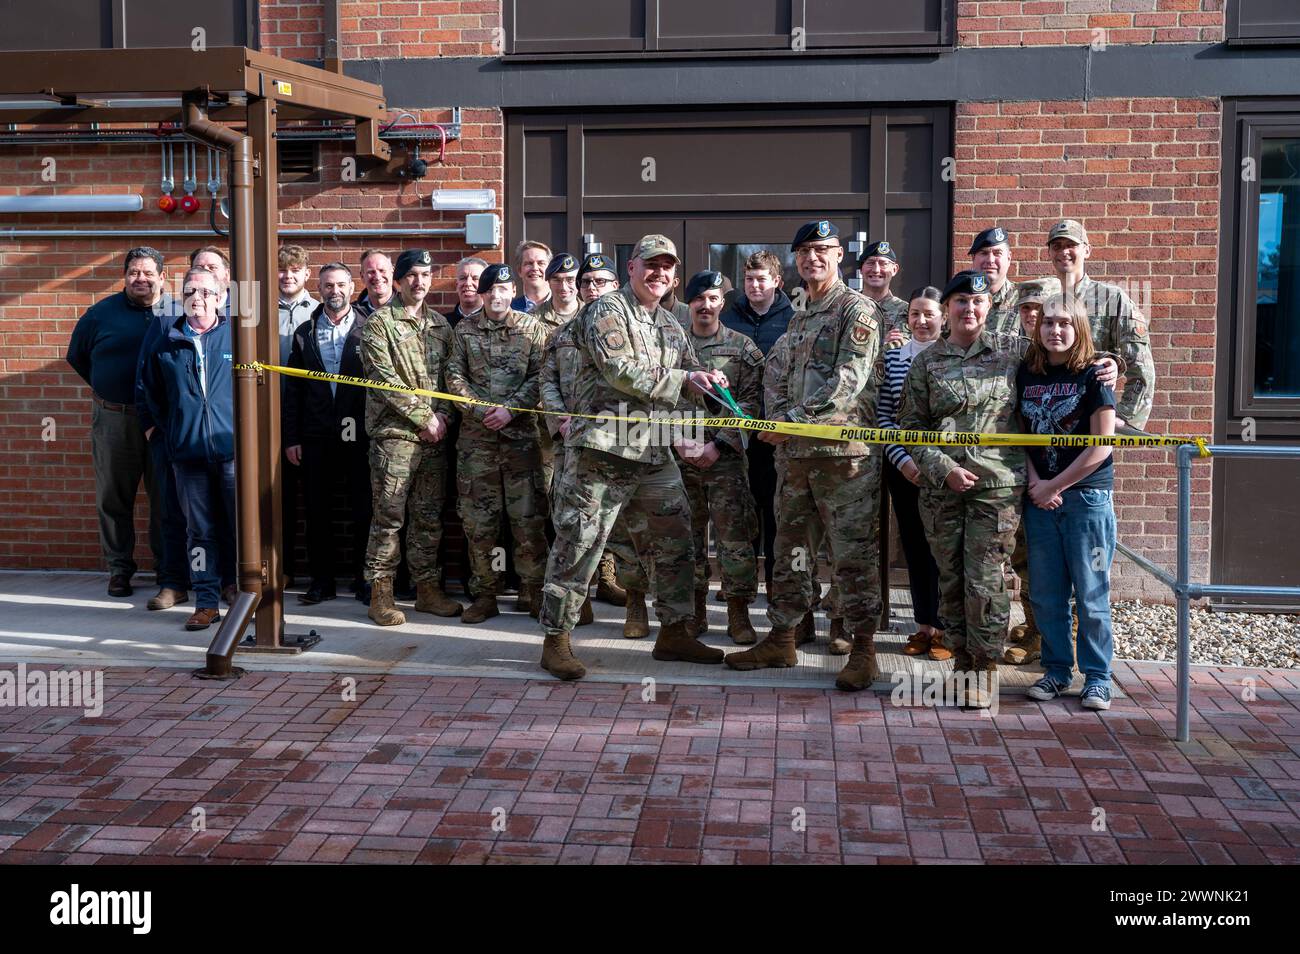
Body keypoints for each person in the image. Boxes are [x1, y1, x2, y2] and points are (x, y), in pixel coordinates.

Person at [898, 270, 1120, 707]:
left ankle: (983, 670)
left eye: (978, 302)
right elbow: (910, 425)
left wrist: (1114, 363)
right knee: (952, 580)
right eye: (960, 301)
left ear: (987, 308)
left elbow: (1071, 352)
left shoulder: (1014, 352)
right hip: (943, 490)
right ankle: (961, 662)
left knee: (987, 583)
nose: (969, 309)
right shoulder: (926, 362)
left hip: (997, 489)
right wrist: (942, 468)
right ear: (948, 309)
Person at [536, 234, 729, 680]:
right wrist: (686, 378)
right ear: (632, 268)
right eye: (651, 265)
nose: (659, 273)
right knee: (580, 542)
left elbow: (688, 380)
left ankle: (675, 632)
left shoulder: (669, 323)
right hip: (602, 448)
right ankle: (556, 639)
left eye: (667, 267)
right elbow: (619, 369)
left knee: (676, 537)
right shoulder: (606, 310)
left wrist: (706, 394)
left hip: (652, 448)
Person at [725, 220, 885, 693]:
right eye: (805, 252)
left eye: (823, 250)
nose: (813, 258)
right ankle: (783, 636)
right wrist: (774, 419)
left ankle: (863, 649)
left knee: (853, 555)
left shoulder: (856, 310)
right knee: (790, 552)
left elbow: (848, 381)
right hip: (795, 459)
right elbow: (776, 372)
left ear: (839, 255)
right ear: (795, 260)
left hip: (844, 459)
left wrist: (787, 419)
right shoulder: (799, 316)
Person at [1019, 293, 1118, 711]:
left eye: (1064, 323)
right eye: (1048, 323)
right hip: (1040, 499)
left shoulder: (1094, 376)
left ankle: (1098, 678)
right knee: (1046, 594)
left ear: (1078, 329)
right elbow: (1018, 436)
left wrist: (1055, 485)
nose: (1055, 330)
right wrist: (1036, 483)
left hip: (1086, 499)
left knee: (1092, 595)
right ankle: (1057, 670)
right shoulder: (1027, 371)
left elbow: (1101, 446)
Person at [66, 247, 180, 601]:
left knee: (166, 497)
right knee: (114, 496)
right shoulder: (100, 314)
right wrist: (110, 391)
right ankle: (119, 569)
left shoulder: (178, 311)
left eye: (147, 273)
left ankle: (169, 572)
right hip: (115, 418)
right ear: (125, 276)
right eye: (133, 272)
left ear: (162, 276)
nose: (140, 279)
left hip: (164, 421)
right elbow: (78, 358)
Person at [359, 248, 462, 625]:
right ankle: (380, 593)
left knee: (429, 517)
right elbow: (383, 379)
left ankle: (427, 590)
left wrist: (444, 416)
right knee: (389, 517)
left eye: (425, 274)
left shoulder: (441, 325)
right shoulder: (378, 324)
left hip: (434, 437)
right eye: (412, 275)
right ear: (398, 281)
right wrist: (424, 417)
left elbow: (453, 377)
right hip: (395, 437)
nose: (419, 282)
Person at [444, 264, 550, 623]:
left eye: (505, 288)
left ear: (512, 290)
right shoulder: (465, 330)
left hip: (521, 441)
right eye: (491, 290)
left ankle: (533, 591)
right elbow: (453, 376)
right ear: (483, 294)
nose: (498, 295)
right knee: (480, 524)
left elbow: (541, 377)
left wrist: (511, 410)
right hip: (477, 444)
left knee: (528, 522)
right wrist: (479, 410)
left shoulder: (531, 328)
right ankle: (486, 594)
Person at [139, 267, 236, 631]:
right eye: (191, 291)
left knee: (241, 526)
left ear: (221, 297)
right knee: (199, 533)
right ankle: (206, 602)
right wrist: (166, 433)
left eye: (207, 292)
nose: (198, 298)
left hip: (231, 454)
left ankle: (243, 594)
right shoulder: (167, 340)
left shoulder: (235, 337)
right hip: (187, 457)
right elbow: (149, 392)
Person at [678, 271, 764, 644]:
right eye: (699, 298)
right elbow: (656, 398)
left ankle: (738, 614)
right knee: (686, 539)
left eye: (713, 298)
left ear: (722, 303)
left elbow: (754, 401)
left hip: (725, 459)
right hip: (681, 457)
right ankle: (694, 613)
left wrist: (718, 445)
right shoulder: (671, 346)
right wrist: (680, 441)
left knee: (735, 539)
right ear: (689, 302)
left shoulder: (743, 348)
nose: (706, 305)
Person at [284, 262, 371, 606]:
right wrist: (292, 437)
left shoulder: (371, 327)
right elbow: (293, 390)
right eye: (327, 286)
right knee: (317, 510)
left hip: (360, 434)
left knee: (362, 508)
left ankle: (364, 580)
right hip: (316, 434)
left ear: (352, 287)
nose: (334, 291)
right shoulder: (304, 333)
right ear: (318, 290)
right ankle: (323, 581)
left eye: (340, 285)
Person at [878, 286, 947, 660]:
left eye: (929, 314)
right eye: (915, 314)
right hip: (905, 470)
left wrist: (938, 463)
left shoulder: (952, 358)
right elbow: (884, 417)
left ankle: (946, 629)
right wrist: (903, 461)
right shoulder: (893, 360)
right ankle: (924, 627)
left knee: (946, 549)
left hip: (946, 469)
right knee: (916, 547)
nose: (921, 321)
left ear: (943, 317)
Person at [721, 250, 794, 592]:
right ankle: (739, 582)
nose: (754, 285)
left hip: (777, 432)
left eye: (761, 279)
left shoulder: (792, 319)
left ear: (777, 282)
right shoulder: (729, 318)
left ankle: (779, 581)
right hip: (736, 431)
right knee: (741, 508)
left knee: (776, 509)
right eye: (749, 279)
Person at [1046, 219, 1156, 431]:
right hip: (1045, 420)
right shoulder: (1043, 298)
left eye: (1071, 245)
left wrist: (1125, 419)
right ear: (1049, 253)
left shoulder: (1111, 299)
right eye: (1056, 246)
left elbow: (1142, 367)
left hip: (1091, 418)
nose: (1063, 251)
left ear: (1087, 250)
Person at [1002, 277, 1062, 665]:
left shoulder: (1065, 352)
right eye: (1025, 309)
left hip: (1059, 475)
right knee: (1024, 556)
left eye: (1040, 309)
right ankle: (1036, 627)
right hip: (1020, 470)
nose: (1033, 315)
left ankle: (1048, 638)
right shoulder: (1012, 354)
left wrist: (1116, 361)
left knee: (1048, 561)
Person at [276, 245, 319, 588]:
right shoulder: (255, 311)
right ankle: (278, 567)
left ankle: (307, 570)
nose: (287, 275)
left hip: (306, 419)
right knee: (272, 498)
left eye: (295, 269)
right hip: (266, 415)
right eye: (282, 269)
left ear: (307, 274)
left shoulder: (320, 312)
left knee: (306, 498)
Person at [969, 226, 1019, 336]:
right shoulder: (961, 300)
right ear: (973, 258)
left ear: (1009, 258)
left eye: (997, 253)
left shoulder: (1023, 301)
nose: (990, 260)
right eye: (984, 253)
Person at [858, 240, 908, 336]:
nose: (876, 270)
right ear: (861, 269)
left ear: (894, 269)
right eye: (870, 263)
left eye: (883, 264)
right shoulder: (847, 305)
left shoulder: (904, 311)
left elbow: (899, 346)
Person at [510, 241, 551, 313]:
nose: (535, 268)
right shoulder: (509, 310)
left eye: (541, 263)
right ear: (519, 271)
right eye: (529, 263)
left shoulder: (561, 305)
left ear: (550, 269)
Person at [446, 256, 487, 327]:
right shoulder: (443, 323)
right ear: (456, 285)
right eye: (463, 278)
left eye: (475, 278)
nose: (468, 283)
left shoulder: (495, 322)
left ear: (485, 285)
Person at [353, 249, 394, 318]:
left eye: (382, 270)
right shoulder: (352, 314)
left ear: (392, 272)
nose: (377, 277)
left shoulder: (408, 307)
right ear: (362, 276)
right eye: (371, 272)